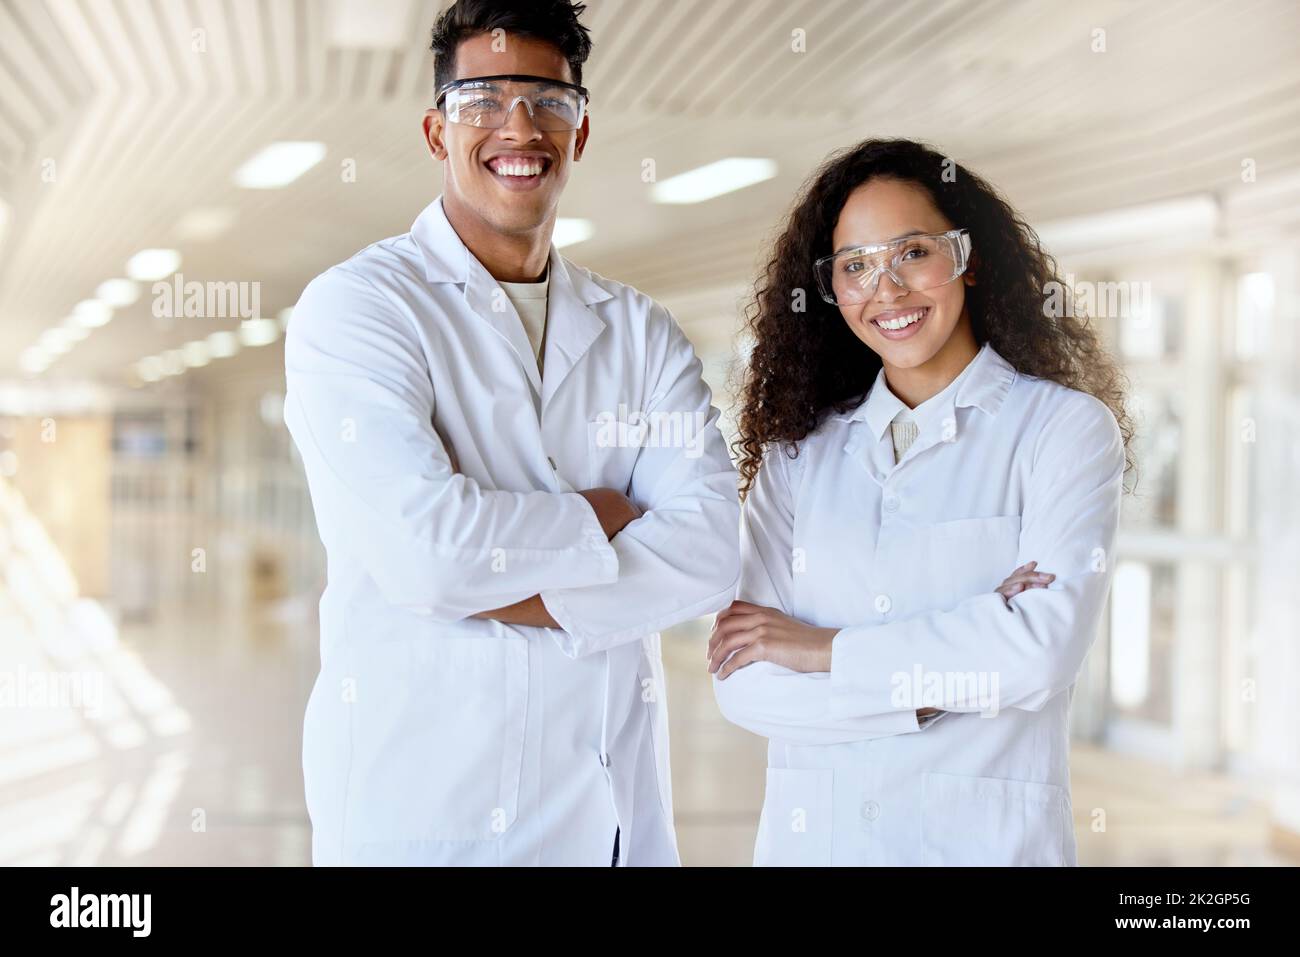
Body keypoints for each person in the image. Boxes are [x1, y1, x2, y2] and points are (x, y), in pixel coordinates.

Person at [284, 0, 739, 867]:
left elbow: (713, 551)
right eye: (483, 100)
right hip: (425, 817)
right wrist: (604, 511)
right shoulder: (360, 308)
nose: (519, 127)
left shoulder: (640, 330)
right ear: (435, 129)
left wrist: (493, 575)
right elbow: (431, 555)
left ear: (582, 127)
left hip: (609, 822)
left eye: (547, 100)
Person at [708, 138, 1133, 866]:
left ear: (967, 259)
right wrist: (940, 688)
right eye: (855, 266)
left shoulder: (1062, 430)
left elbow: (1040, 652)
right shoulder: (797, 454)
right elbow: (744, 686)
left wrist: (822, 650)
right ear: (831, 288)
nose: (887, 289)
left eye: (913, 252)